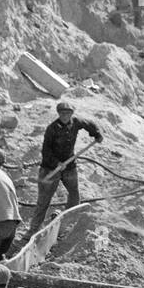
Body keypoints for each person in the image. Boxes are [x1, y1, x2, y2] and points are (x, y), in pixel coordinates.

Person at [28, 101, 104, 236]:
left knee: (74, 195)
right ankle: (33, 230)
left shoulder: (76, 122)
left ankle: (66, 224)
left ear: (71, 114)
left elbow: (89, 124)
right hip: (50, 168)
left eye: (68, 113)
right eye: (62, 113)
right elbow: (46, 150)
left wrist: (97, 134)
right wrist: (56, 163)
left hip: (69, 165)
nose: (65, 116)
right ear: (58, 114)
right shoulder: (52, 129)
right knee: (44, 201)